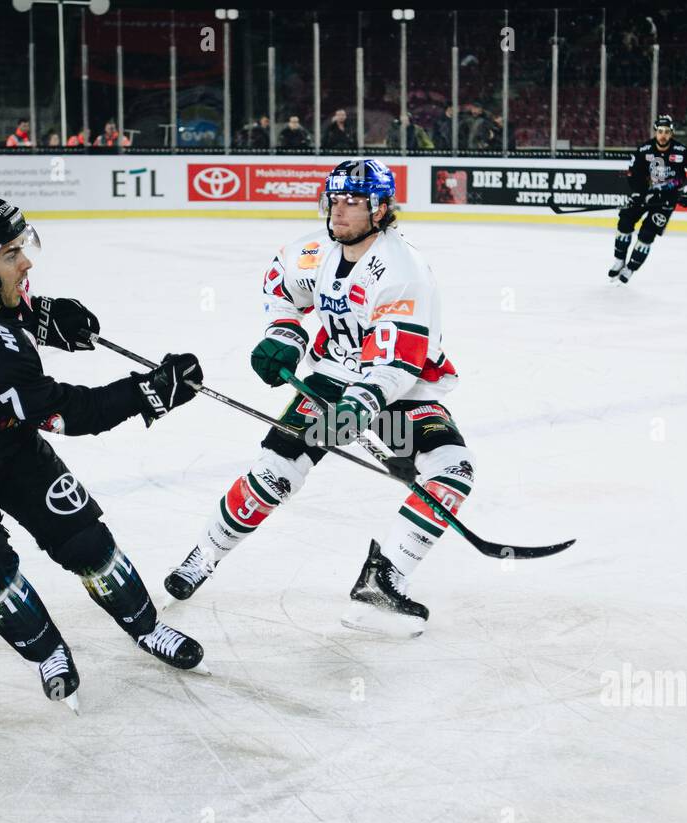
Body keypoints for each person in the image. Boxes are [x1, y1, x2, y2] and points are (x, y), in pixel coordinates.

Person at [0, 194, 208, 711]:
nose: (25, 262)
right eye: (10, 255)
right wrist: (151, 391)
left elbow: (6, 312)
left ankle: (147, 628)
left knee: (84, 537)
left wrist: (43, 315)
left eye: (21, 247)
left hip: (0, 439)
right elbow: (70, 413)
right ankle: (47, 652)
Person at [162, 160, 475, 635]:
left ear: (381, 209)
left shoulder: (402, 271)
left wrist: (360, 407)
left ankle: (382, 583)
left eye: (354, 202)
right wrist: (284, 336)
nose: (339, 211)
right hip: (330, 378)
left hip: (400, 391)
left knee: (451, 469)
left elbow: (395, 363)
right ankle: (204, 554)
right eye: (335, 199)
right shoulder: (312, 253)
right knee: (275, 475)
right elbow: (281, 291)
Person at [608, 115, 687, 284]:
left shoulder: (681, 151)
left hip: (666, 201)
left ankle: (630, 268)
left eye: (667, 132)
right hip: (646, 195)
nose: (663, 135)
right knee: (625, 221)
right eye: (660, 131)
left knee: (647, 234)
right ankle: (619, 260)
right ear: (655, 132)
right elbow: (633, 173)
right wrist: (639, 193)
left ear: (672, 133)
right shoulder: (644, 150)